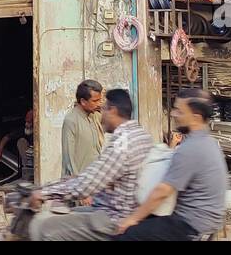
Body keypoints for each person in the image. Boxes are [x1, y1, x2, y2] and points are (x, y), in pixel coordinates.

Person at [27, 89, 152, 241]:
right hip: (107, 199)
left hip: (113, 217)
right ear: (82, 101)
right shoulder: (140, 134)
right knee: (69, 213)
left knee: (47, 229)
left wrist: (45, 192)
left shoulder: (122, 144)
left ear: (113, 111)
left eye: (104, 107)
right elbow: (72, 157)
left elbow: (87, 183)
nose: (101, 112)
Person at [114, 87, 227, 240]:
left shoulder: (191, 148)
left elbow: (162, 192)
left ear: (195, 117)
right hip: (207, 220)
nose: (173, 114)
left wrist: (132, 219)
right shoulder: (209, 142)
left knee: (126, 235)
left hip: (189, 224)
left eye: (179, 111)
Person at [61, 80, 105, 176]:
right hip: (79, 184)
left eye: (99, 100)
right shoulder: (71, 121)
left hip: (95, 180)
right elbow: (69, 161)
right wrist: (75, 185)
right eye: (95, 101)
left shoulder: (94, 116)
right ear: (83, 101)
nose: (98, 104)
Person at [0, 109, 35, 180]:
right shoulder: (24, 129)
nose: (26, 124)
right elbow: (6, 137)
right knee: (21, 141)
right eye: (26, 121)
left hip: (37, 158)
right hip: (29, 160)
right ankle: (28, 171)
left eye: (29, 122)